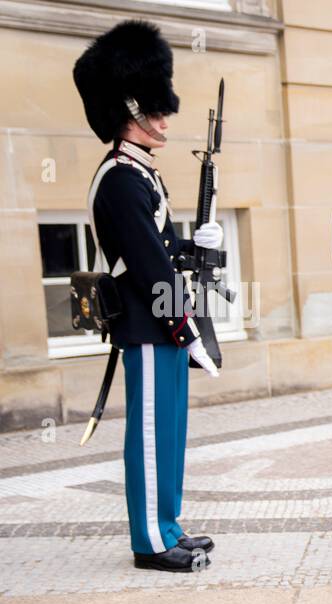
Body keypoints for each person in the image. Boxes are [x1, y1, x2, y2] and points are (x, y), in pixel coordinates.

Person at [72, 19, 222, 572]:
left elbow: (157, 244)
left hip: (159, 323)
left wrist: (195, 241)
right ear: (129, 109)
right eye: (154, 109)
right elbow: (148, 267)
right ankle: (151, 542)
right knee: (152, 437)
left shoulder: (138, 173)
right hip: (150, 324)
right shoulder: (119, 178)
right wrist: (187, 330)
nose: (163, 119)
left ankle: (169, 524)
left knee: (171, 433)